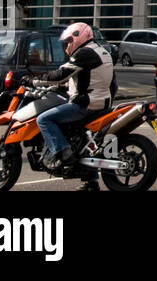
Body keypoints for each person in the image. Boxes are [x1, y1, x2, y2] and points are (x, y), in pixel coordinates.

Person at [35, 22, 115, 190]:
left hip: (85, 105)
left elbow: (61, 74)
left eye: (69, 42)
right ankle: (91, 182)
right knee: (83, 138)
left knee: (43, 119)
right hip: (102, 104)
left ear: (79, 37)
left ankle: (64, 155)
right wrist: (64, 87)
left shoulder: (84, 53)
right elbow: (98, 80)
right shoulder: (101, 51)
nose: (67, 47)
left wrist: (34, 80)